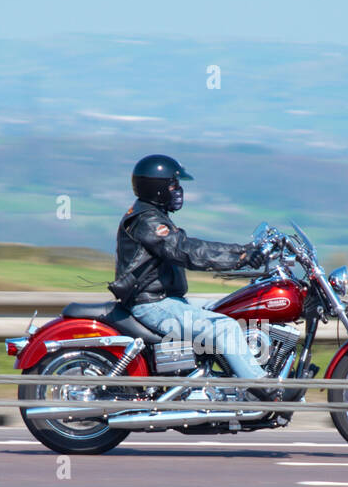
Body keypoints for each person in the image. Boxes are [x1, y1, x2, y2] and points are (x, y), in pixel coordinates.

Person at [111, 154, 279, 401]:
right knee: (226, 328)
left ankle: (221, 372)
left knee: (226, 308)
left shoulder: (151, 214)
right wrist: (241, 256)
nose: (178, 191)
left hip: (165, 299)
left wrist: (243, 251)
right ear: (157, 187)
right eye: (173, 185)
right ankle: (262, 389)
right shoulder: (147, 221)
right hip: (154, 304)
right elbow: (186, 250)